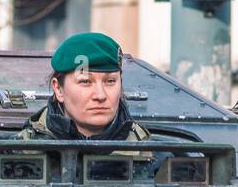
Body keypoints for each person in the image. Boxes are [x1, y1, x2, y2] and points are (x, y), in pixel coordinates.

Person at [16, 32, 151, 142]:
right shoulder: (22, 152)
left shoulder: (150, 153)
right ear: (58, 89)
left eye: (110, 81)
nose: (100, 95)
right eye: (86, 82)